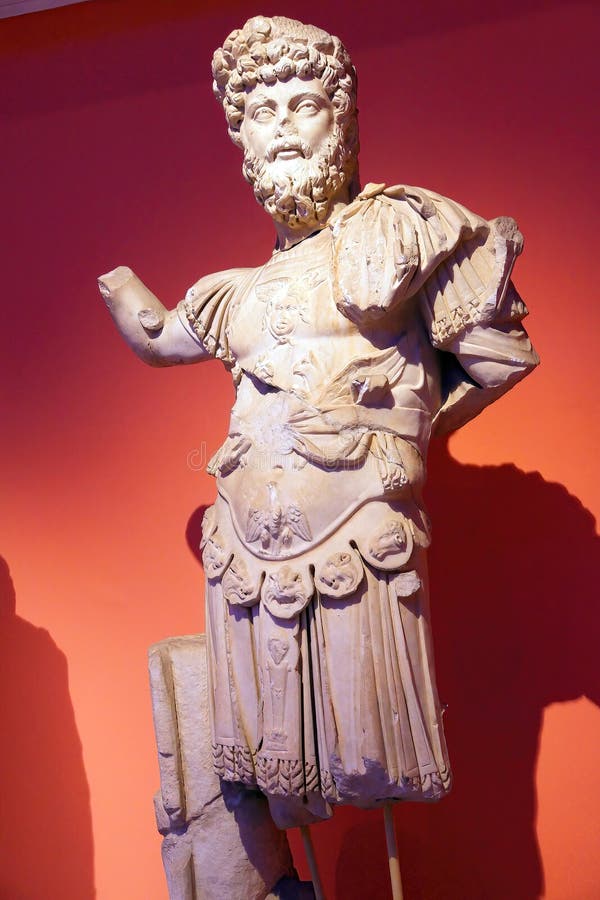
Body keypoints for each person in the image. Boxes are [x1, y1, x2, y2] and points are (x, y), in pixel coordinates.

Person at [99, 16, 539, 831]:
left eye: (304, 103)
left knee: (367, 758)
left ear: (345, 119)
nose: (284, 127)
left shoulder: (392, 234)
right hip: (245, 547)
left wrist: (408, 437)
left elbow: (500, 360)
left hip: (359, 533)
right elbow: (161, 338)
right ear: (241, 140)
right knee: (273, 782)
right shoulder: (236, 290)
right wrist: (118, 285)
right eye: (262, 113)